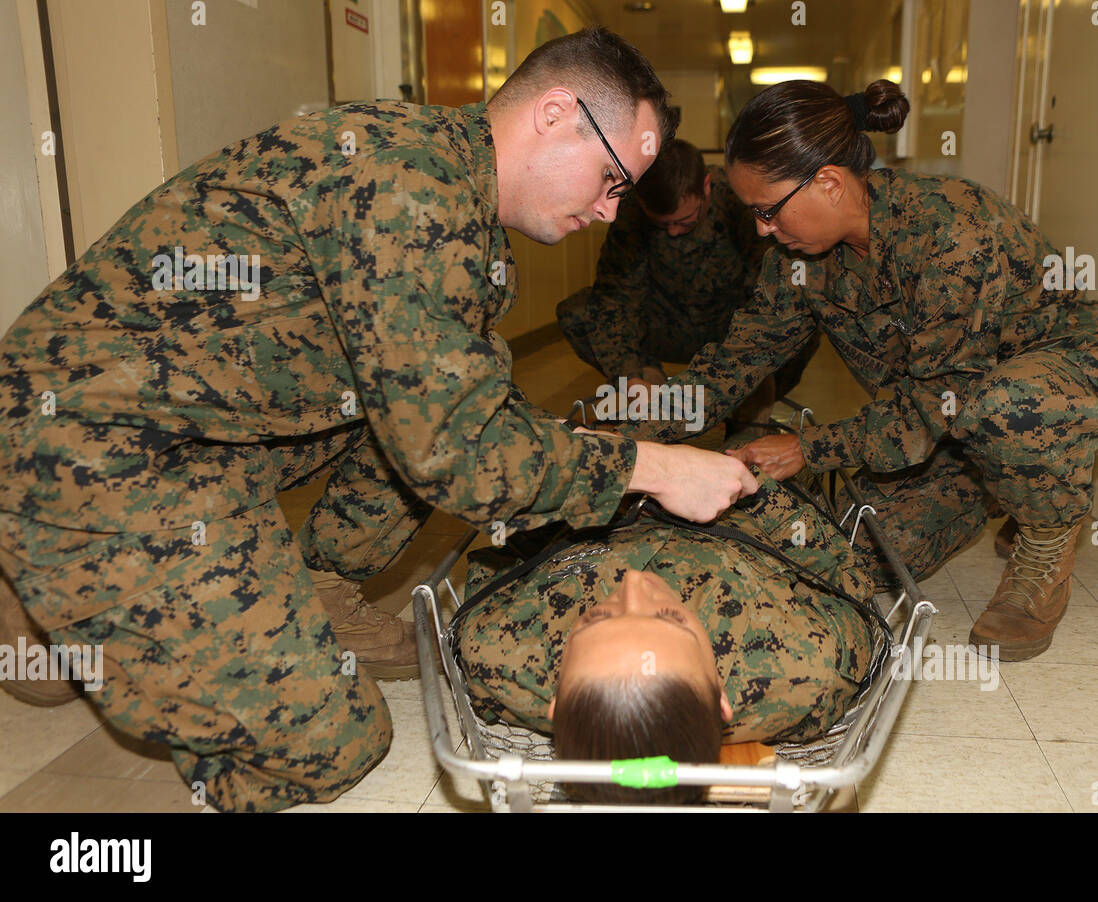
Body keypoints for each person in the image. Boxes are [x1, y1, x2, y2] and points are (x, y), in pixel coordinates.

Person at [0, 26, 757, 812]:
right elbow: (456, 450)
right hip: (87, 446)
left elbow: (460, 408)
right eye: (609, 179)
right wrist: (656, 467)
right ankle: (65, 571)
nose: (607, 212)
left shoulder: (452, 193)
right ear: (556, 113)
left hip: (201, 436)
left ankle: (302, 591)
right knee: (333, 745)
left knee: (439, 400)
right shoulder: (409, 187)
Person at [618, 79, 1098, 663]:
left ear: (827, 182)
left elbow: (941, 400)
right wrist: (625, 444)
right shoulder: (799, 263)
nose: (760, 230)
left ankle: (1047, 537)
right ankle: (1002, 487)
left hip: (1063, 381)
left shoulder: (952, 228)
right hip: (947, 426)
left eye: (768, 211)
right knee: (857, 551)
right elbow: (733, 362)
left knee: (1006, 407)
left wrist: (810, 448)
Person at [456, 471, 886, 804]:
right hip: (731, 510)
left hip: (600, 506)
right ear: (722, 701)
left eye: (595, 619)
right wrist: (758, 491)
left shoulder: (498, 654)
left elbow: (499, 559)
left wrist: (593, 476)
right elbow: (845, 580)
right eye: (670, 618)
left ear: (555, 704)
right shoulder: (807, 666)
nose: (634, 585)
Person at [556, 139, 819, 429]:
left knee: (804, 316)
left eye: (684, 221)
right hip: (664, 327)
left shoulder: (738, 201)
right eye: (662, 224)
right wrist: (629, 375)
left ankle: (744, 411)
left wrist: (749, 371)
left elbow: (769, 293)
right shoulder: (633, 210)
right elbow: (616, 297)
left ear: (705, 187)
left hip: (730, 330)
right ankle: (650, 394)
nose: (673, 232)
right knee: (579, 312)